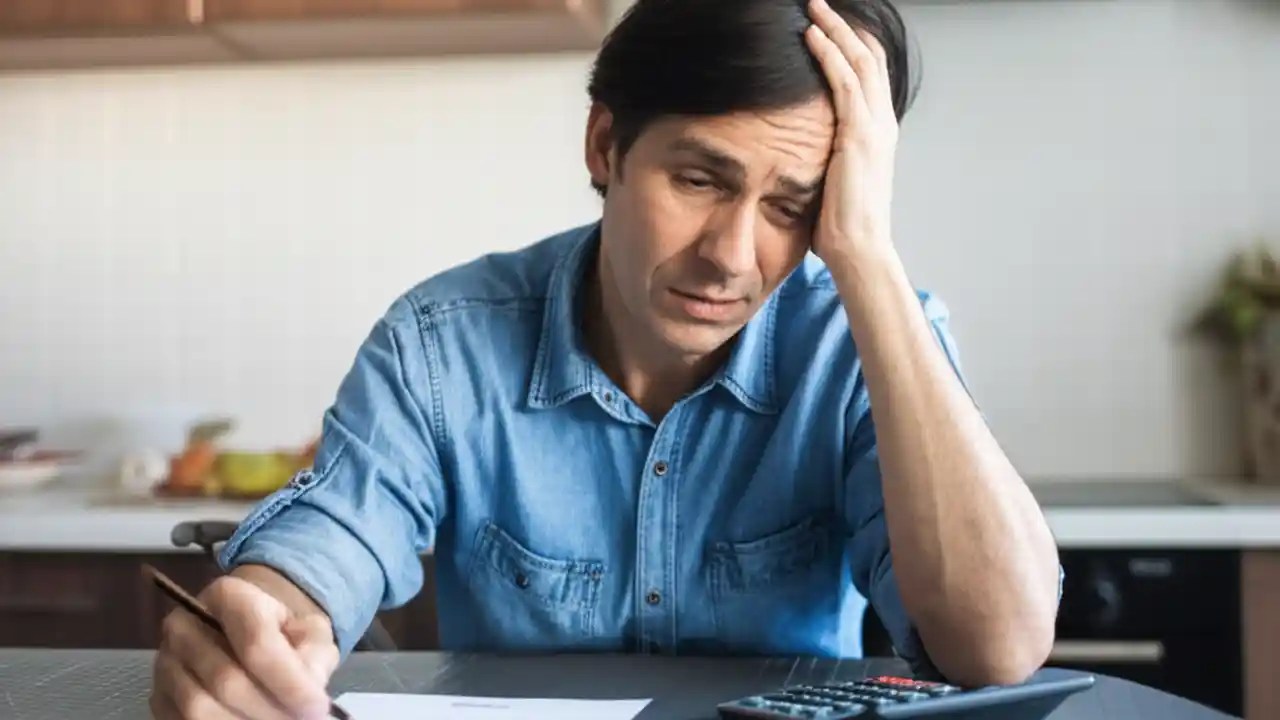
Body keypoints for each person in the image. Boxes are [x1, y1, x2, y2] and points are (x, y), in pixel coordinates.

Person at [149, 0, 1063, 717]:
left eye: (793, 207)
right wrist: (263, 615)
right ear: (604, 145)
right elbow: (334, 536)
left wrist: (866, 255)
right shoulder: (441, 342)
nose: (731, 257)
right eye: (699, 179)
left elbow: (1000, 648)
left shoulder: (865, 338)